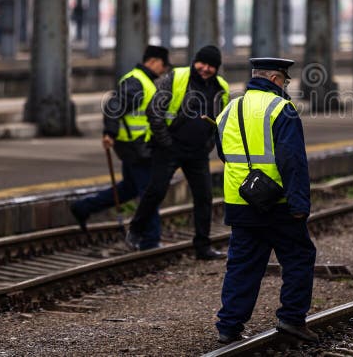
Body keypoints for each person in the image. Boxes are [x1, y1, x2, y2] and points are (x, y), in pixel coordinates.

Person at [214, 57, 318, 344]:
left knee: (242, 264)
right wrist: (299, 204)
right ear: (274, 79)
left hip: (240, 201)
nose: (285, 86)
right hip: (277, 203)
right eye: (284, 81)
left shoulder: (229, 109)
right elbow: (293, 161)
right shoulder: (281, 109)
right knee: (298, 257)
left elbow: (223, 153)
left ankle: (229, 325)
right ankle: (292, 319)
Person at [125, 45, 229, 260]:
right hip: (170, 148)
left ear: (217, 68)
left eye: (211, 66)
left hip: (198, 152)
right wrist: (166, 142)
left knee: (204, 197)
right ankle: (135, 231)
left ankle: (203, 246)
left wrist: (209, 144)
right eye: (203, 63)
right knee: (156, 190)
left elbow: (221, 121)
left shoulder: (221, 88)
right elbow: (154, 109)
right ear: (195, 61)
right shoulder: (177, 77)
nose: (206, 69)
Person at [69, 45, 170, 250]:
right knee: (149, 192)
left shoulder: (143, 81)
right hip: (136, 147)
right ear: (153, 61)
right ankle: (150, 240)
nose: (164, 70)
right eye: (163, 65)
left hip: (136, 146)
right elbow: (114, 107)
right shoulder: (136, 83)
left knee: (129, 189)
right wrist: (110, 133)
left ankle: (83, 207)